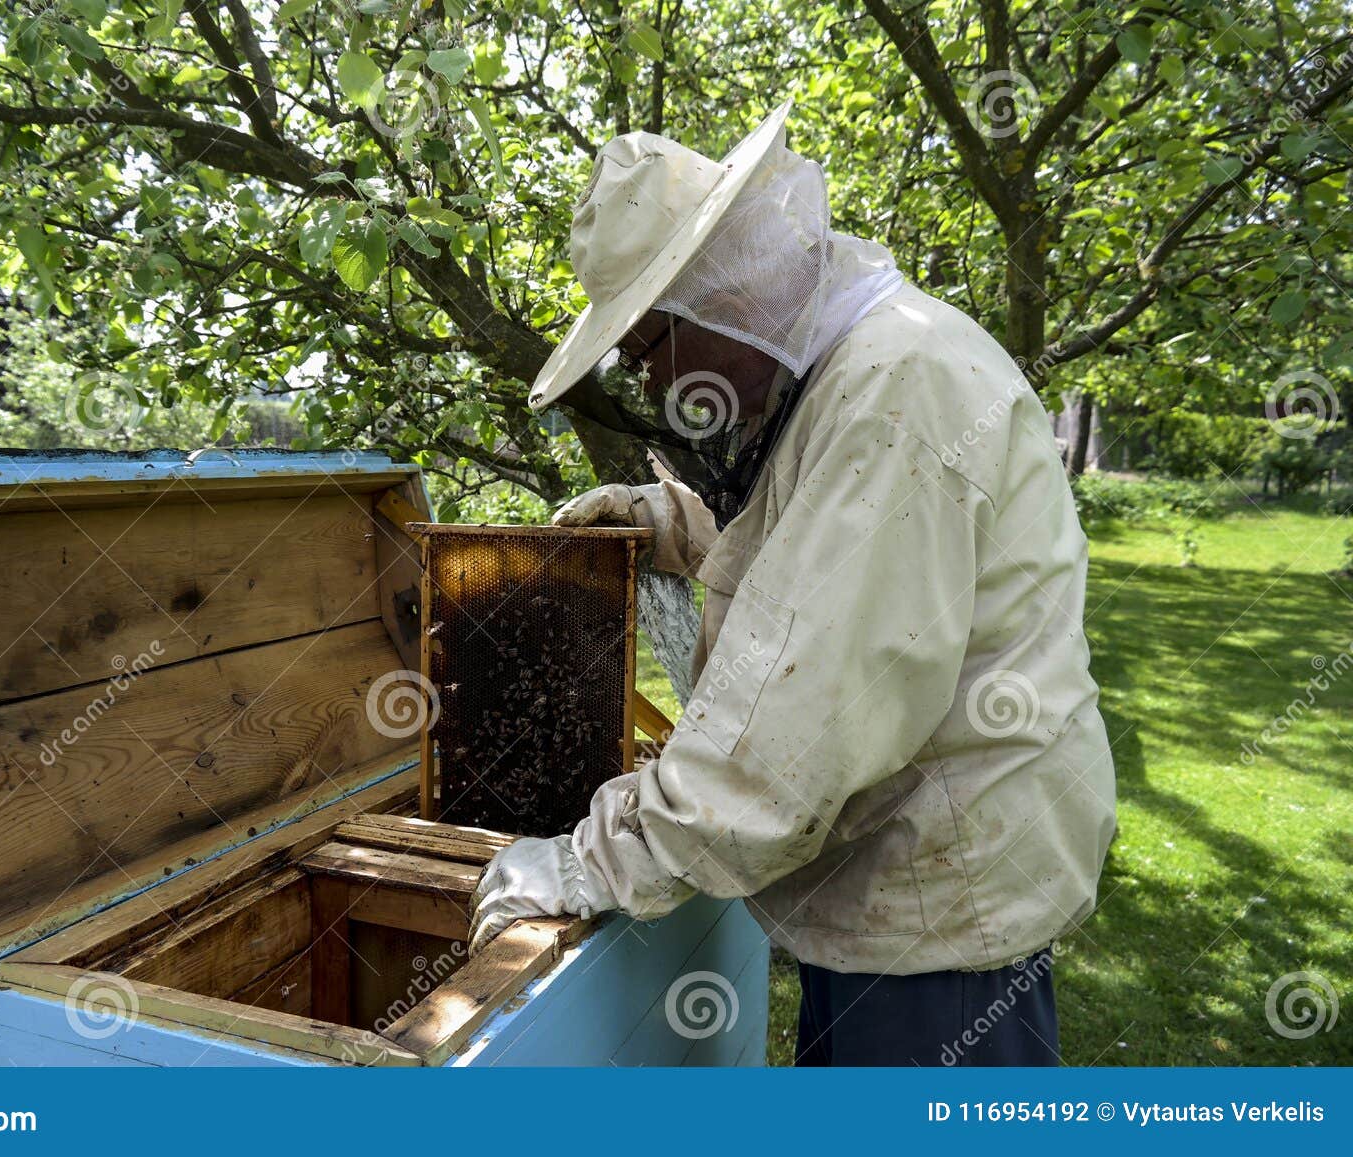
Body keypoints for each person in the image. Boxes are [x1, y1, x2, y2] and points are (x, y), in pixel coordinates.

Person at [467, 100, 1116, 1066]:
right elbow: (816, 557)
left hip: (941, 930)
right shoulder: (862, 363)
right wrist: (671, 524)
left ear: (716, 299)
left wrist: (581, 861)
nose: (650, 384)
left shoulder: (896, 392)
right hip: (902, 890)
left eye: (648, 348)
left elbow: (786, 737)